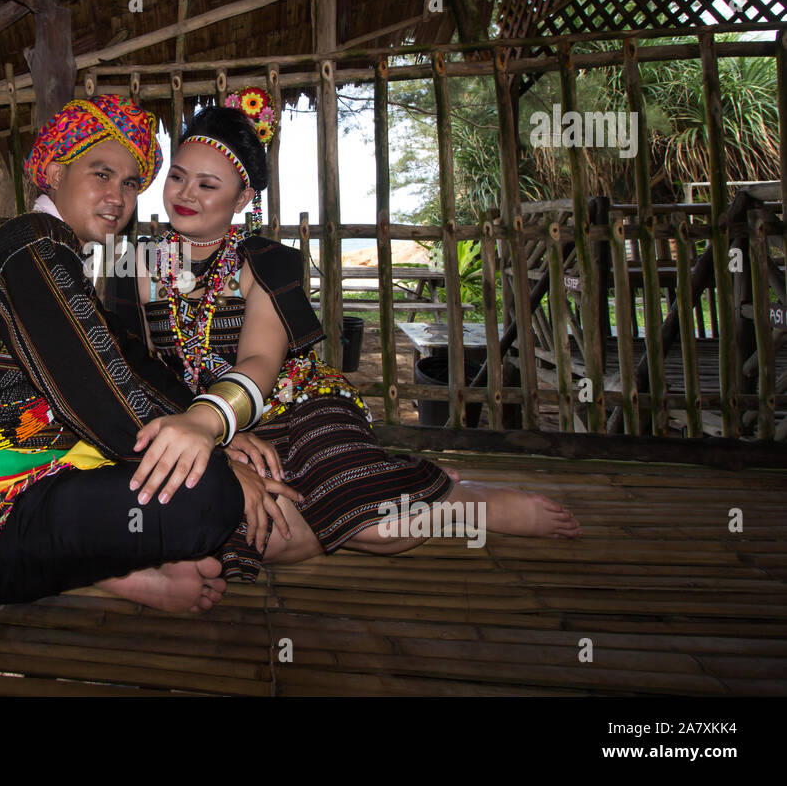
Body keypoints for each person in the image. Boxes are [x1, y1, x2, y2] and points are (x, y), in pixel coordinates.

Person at [112, 87, 581, 583]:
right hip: (211, 429)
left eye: (207, 184)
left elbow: (259, 365)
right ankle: (388, 486)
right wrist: (215, 442)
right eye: (178, 177)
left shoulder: (264, 263)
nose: (185, 195)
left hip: (299, 407)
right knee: (267, 536)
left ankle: (474, 507)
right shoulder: (135, 265)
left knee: (376, 529)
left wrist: (209, 423)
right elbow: (135, 370)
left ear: (244, 196)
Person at [0, 94, 299, 613]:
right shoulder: (30, 251)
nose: (117, 196)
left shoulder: (56, 254)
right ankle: (112, 574)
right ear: (53, 172)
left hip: (40, 483)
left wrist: (207, 425)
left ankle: (112, 571)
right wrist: (214, 453)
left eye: (131, 183)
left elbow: (127, 362)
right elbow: (103, 396)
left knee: (193, 471)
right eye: (101, 174)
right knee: (209, 495)